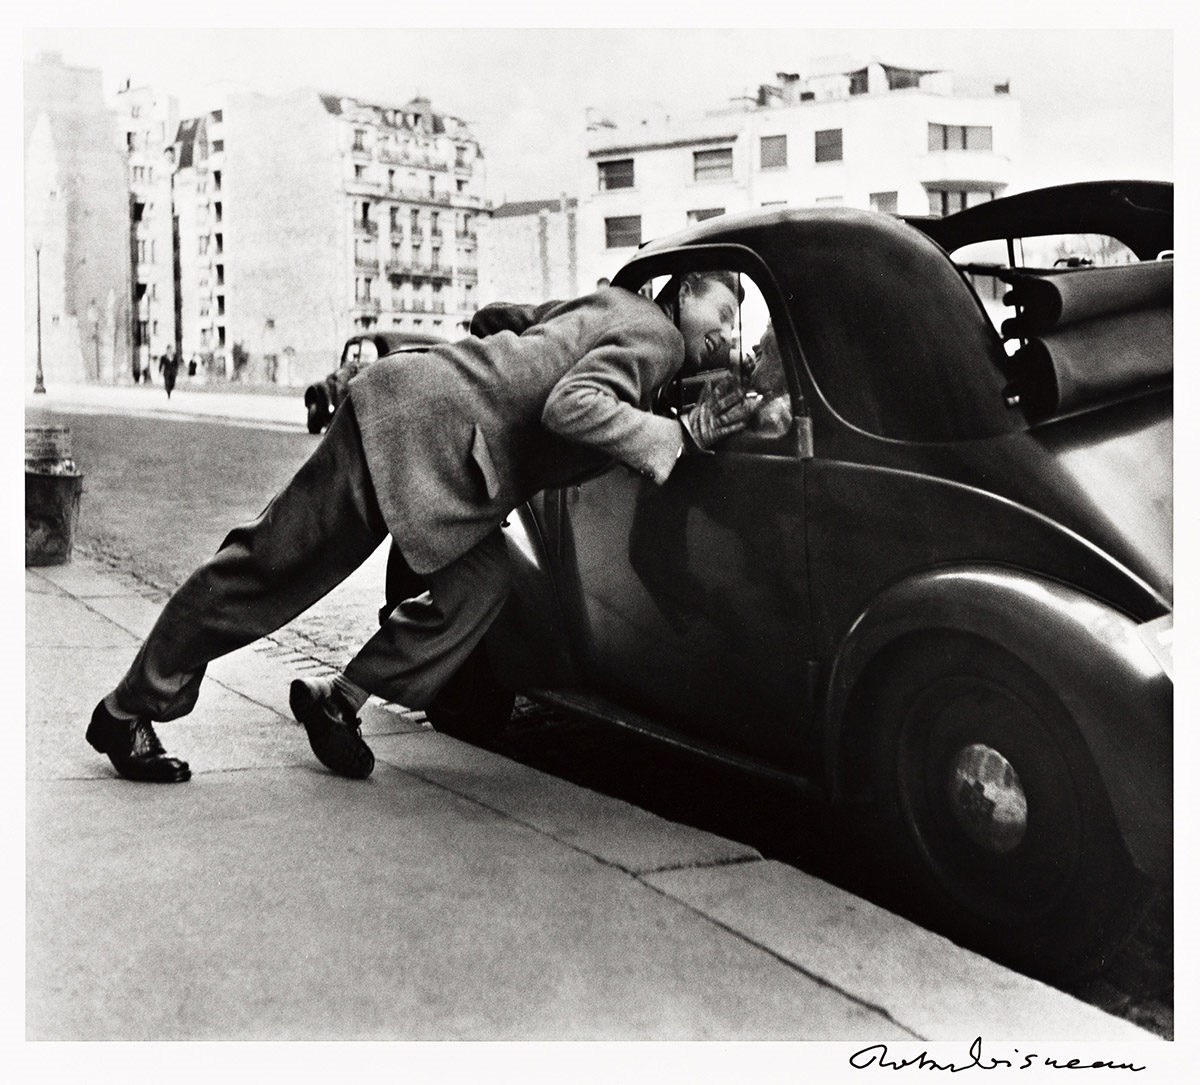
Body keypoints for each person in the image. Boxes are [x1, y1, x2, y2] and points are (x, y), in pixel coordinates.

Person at [86, 274, 756, 784]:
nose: (726, 330)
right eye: (722, 311)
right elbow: (571, 405)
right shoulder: (660, 339)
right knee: (270, 564)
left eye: (737, 323)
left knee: (482, 581)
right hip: (410, 433)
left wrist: (517, 366)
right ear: (685, 293)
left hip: (431, 429)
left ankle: (337, 698)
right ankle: (125, 710)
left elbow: (499, 318)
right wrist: (682, 432)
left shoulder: (612, 305)